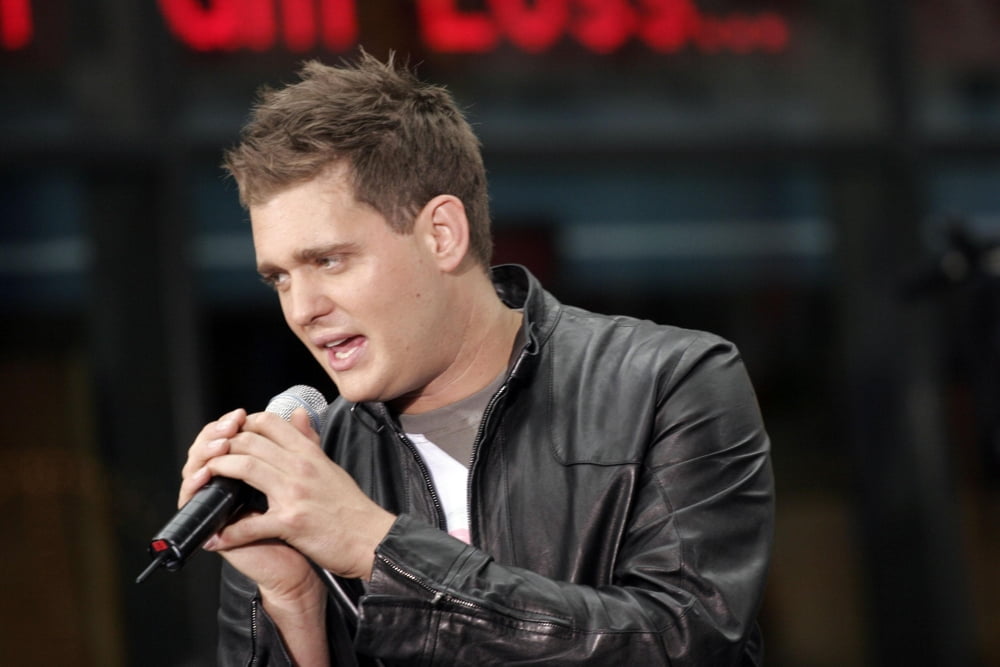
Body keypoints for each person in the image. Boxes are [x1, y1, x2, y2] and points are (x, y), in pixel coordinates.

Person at [178, 50, 775, 666]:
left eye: (329, 260)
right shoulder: (308, 472)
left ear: (442, 234)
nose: (302, 308)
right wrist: (293, 601)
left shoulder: (667, 383)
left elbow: (686, 644)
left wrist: (377, 548)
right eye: (278, 278)